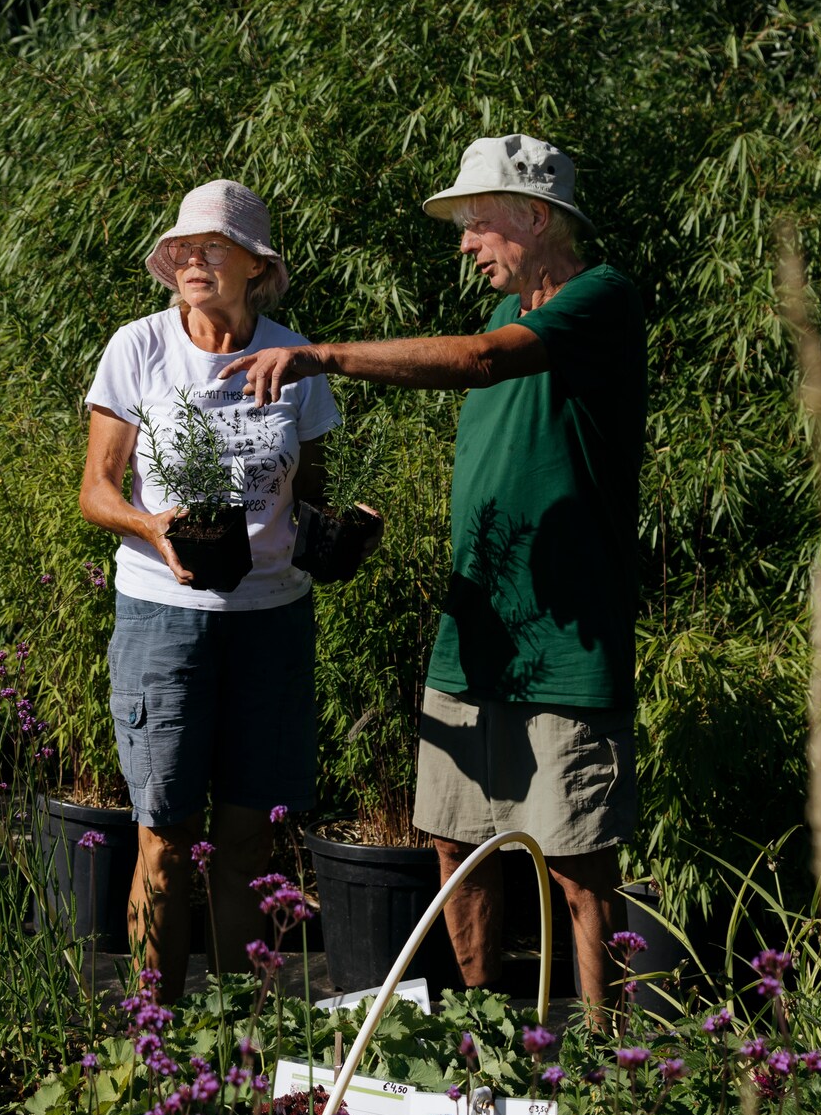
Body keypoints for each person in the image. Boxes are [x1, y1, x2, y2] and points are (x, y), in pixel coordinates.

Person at [227, 135, 646, 1012]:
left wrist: (322, 354)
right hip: (477, 635)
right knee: (457, 844)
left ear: (535, 217)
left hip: (567, 645)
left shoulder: (597, 301)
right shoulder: (506, 320)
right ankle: (483, 1038)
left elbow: (478, 362)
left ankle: (615, 1074)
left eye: (478, 224)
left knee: (578, 868)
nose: (465, 244)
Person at [79, 179, 342, 998]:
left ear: (255, 266)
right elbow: (95, 487)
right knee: (162, 834)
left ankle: (237, 1043)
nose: (193, 258)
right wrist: (156, 527)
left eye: (213, 246)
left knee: (246, 845)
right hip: (166, 617)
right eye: (184, 247)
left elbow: (313, 491)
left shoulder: (295, 360)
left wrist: (336, 536)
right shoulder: (140, 348)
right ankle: (154, 1044)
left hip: (271, 621)